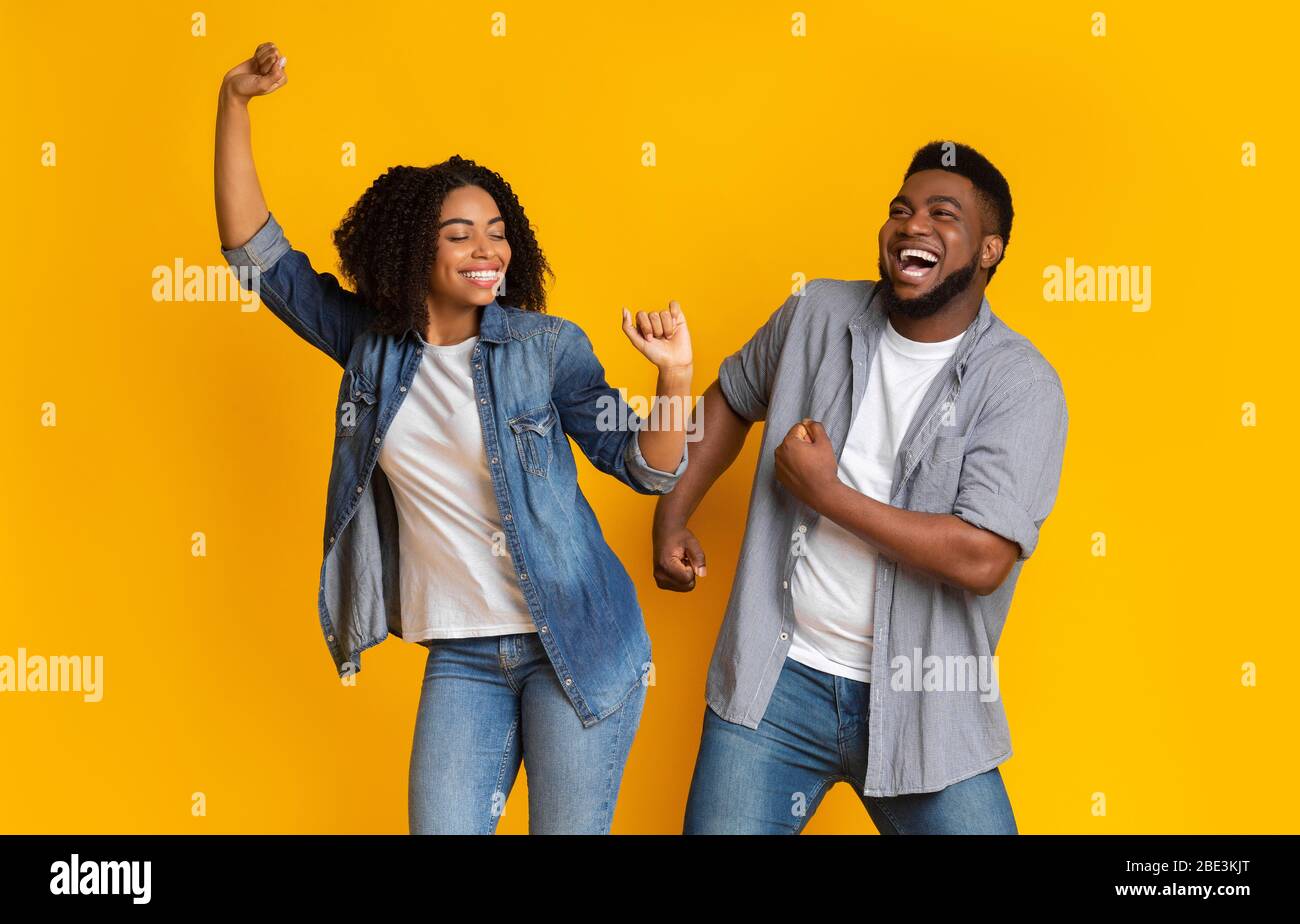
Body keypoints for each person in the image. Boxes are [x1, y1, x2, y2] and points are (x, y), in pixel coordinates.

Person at [214, 42, 693, 834]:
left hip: (577, 643)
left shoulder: (546, 348)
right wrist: (234, 101)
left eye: (497, 234)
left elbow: (646, 467)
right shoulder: (371, 347)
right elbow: (255, 258)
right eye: (461, 234)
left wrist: (674, 378)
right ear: (413, 250)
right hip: (464, 656)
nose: (487, 252)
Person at [653, 141, 1068, 834]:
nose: (913, 225)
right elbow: (733, 394)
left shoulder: (1019, 384)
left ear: (989, 250)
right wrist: (672, 515)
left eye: (943, 214)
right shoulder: (815, 312)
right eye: (901, 210)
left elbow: (982, 557)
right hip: (775, 685)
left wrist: (828, 495)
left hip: (923, 705)